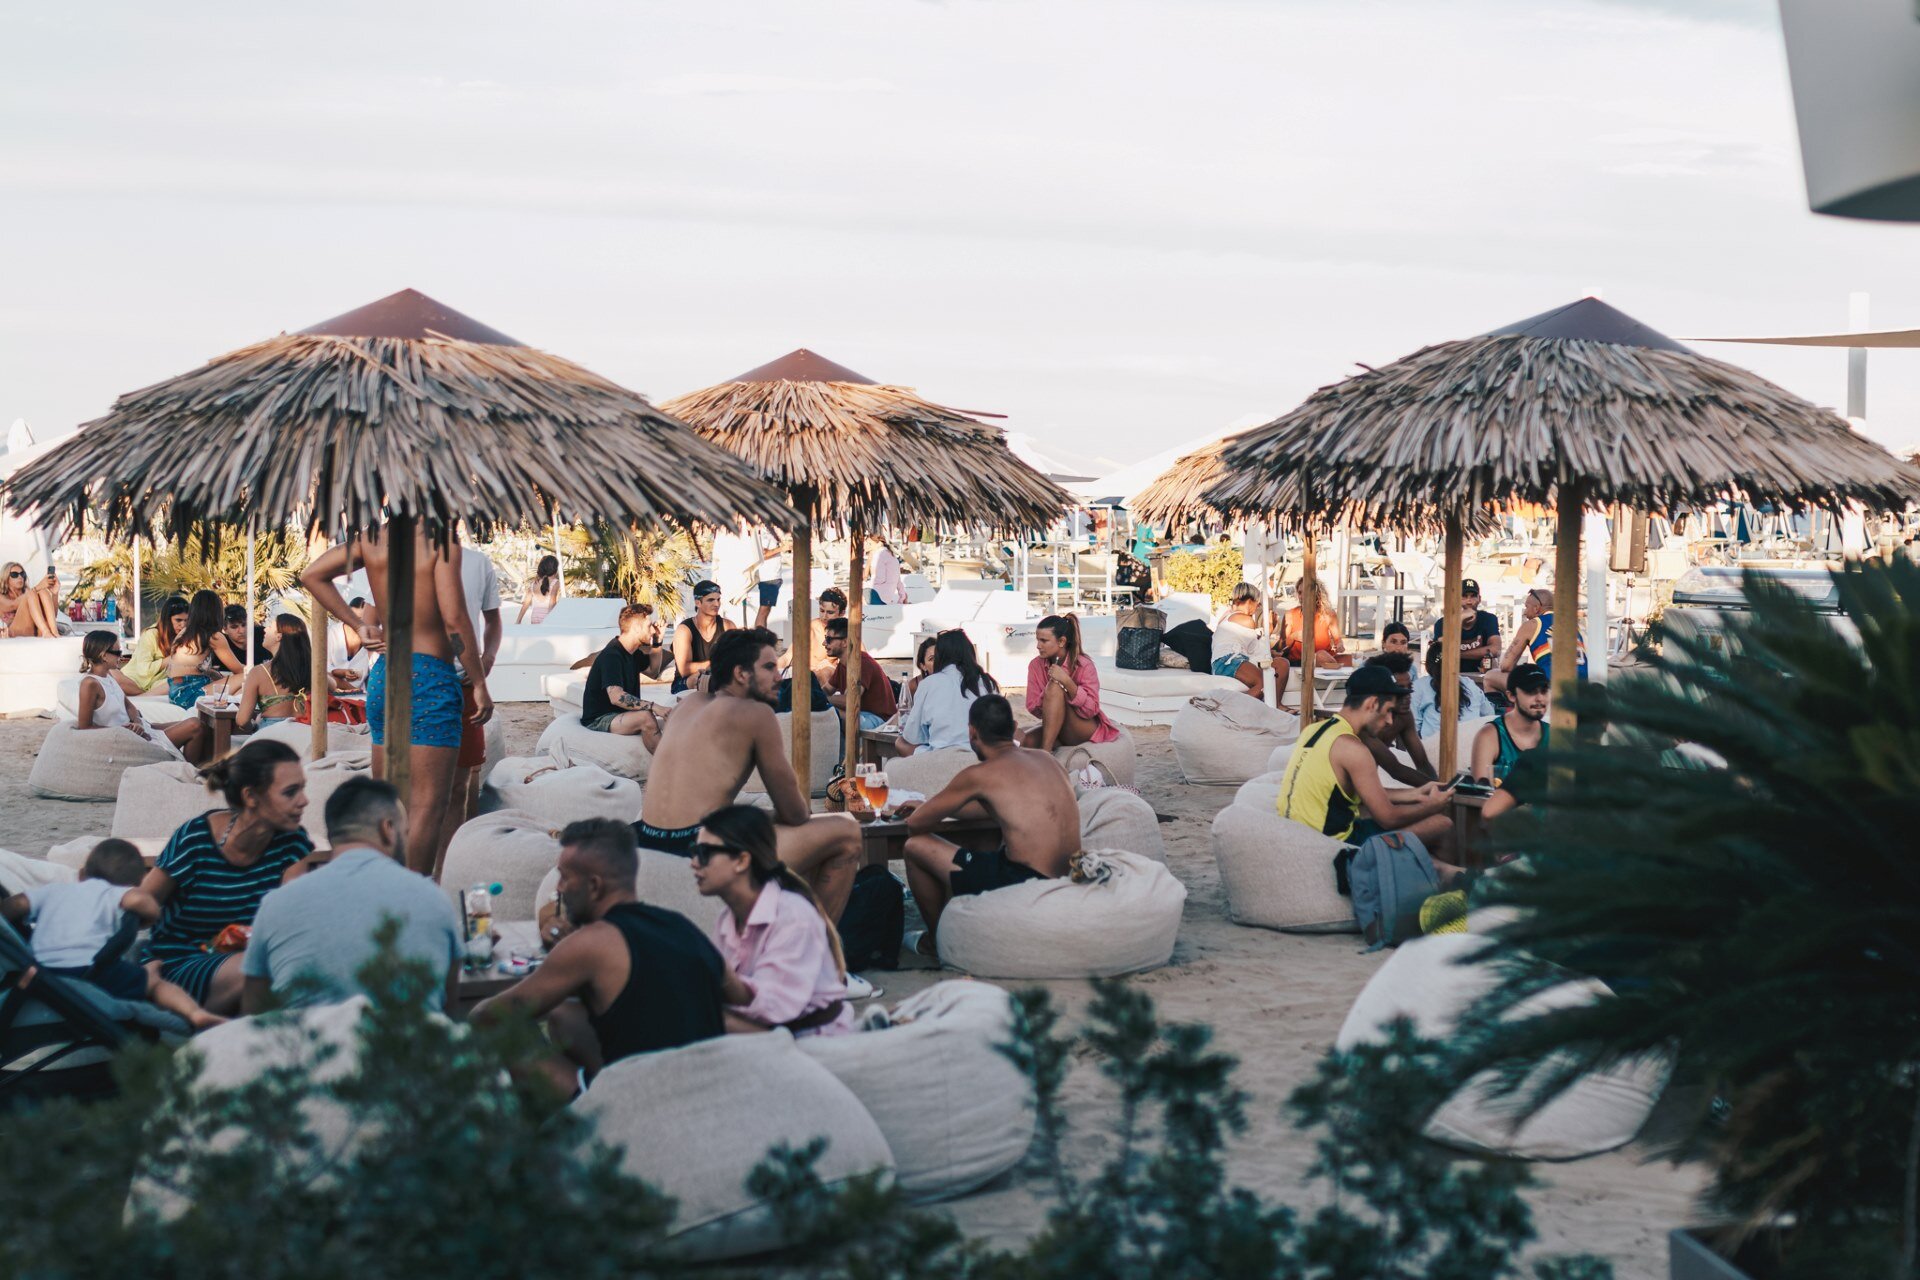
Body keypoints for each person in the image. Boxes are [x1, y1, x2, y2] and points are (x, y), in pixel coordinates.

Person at [472, 819, 725, 1098]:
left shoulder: (592, 943)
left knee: (501, 1030)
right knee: (563, 1015)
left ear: (594, 885)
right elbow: (736, 994)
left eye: (564, 878)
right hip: (704, 1087)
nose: (559, 889)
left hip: (643, 1099)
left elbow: (489, 1015)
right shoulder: (680, 926)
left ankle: (580, 1110)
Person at [300, 523, 493, 877]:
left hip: (386, 676)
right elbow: (454, 619)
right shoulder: (439, 540)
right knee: (427, 806)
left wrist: (357, 624)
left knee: (390, 804)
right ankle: (408, 895)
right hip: (428, 677)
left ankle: (382, 889)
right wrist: (479, 681)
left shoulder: (372, 538)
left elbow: (312, 575)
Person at [635, 628, 862, 918]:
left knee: (762, 822)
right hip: (696, 848)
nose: (779, 677)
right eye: (769, 668)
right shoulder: (755, 714)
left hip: (647, 839)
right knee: (846, 832)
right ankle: (817, 939)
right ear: (741, 674)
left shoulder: (687, 705)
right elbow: (795, 814)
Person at [242, 778, 462, 1013]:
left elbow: (253, 1012)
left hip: (310, 1035)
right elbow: (449, 1007)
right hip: (403, 1036)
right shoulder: (433, 899)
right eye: (405, 833)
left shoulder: (276, 904)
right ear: (388, 829)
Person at [139, 740, 315, 1016]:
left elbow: (291, 919)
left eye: (303, 788)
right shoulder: (196, 839)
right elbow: (142, 903)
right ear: (251, 796)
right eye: (291, 792)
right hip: (179, 962)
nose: (304, 800)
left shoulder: (292, 844)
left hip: (253, 961)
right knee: (259, 968)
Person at [899, 694, 1080, 956]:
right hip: (1069, 876)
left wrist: (926, 808)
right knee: (985, 841)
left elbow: (916, 824)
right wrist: (934, 805)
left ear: (972, 732)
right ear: (1014, 727)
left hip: (1025, 882)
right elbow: (997, 808)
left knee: (915, 847)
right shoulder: (1047, 760)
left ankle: (936, 941)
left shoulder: (980, 774)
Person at [1, 838, 224, 1030]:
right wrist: (149, 915)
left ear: (81, 874)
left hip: (39, 970)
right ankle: (194, 1014)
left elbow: (16, 904)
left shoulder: (52, 891)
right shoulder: (115, 893)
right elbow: (141, 901)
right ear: (135, 883)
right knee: (154, 986)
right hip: (88, 970)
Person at [694, 804, 854, 1037]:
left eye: (704, 853)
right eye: (693, 851)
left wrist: (720, 974)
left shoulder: (793, 917)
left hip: (815, 1039)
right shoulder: (727, 918)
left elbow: (775, 1008)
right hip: (770, 1032)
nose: (694, 862)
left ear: (741, 861)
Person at [1274, 665, 1457, 864]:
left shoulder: (1315, 730)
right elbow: (1388, 818)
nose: (1390, 721)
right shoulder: (1354, 749)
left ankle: (1430, 870)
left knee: (1394, 813)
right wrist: (1432, 805)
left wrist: (1416, 793)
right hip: (1336, 846)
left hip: (1300, 835)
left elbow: (1362, 793)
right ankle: (1441, 879)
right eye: (1388, 711)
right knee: (1443, 824)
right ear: (1372, 703)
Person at [438, 543, 504, 871]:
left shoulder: (477, 562)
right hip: (417, 680)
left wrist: (486, 659)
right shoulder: (398, 555)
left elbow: (492, 620)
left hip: (463, 683)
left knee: (458, 786)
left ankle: (447, 870)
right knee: (420, 790)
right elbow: (453, 623)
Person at [73, 629, 207, 762]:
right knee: (195, 725)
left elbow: (128, 706)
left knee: (202, 724)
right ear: (103, 656)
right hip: (128, 740)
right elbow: (84, 727)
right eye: (117, 652)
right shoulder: (90, 684)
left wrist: (137, 722)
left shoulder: (108, 676)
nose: (121, 656)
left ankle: (190, 768)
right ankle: (187, 771)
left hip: (140, 729)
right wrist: (122, 730)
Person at [1021, 613, 1120, 752]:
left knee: (1055, 687)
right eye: (1037, 640)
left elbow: (1091, 710)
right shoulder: (1035, 665)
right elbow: (1033, 707)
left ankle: (1046, 752)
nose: (1038, 646)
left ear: (1061, 641)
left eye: (1044, 641)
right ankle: (1050, 743)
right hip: (1056, 726)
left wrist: (1067, 683)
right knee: (1022, 740)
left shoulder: (1084, 665)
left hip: (1082, 727)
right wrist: (1051, 698)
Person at [1471, 661, 1551, 821]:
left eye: (1544, 691)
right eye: (1530, 692)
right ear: (1511, 696)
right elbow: (1481, 795)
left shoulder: (1554, 735)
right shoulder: (1490, 735)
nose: (1539, 698)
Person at [898, 628, 997, 756]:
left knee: (900, 743)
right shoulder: (987, 681)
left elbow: (912, 736)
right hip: (984, 755)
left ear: (940, 655)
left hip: (943, 758)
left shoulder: (929, 683)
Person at [580, 602, 672, 739]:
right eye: (649, 626)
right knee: (646, 717)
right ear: (636, 628)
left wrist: (657, 641)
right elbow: (616, 697)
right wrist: (654, 706)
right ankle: (665, 754)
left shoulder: (633, 653)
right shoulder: (612, 655)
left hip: (621, 714)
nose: (653, 630)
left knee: (670, 719)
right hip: (600, 718)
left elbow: (653, 672)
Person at [1486, 587, 1587, 693]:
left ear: (1536, 608)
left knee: (1490, 677)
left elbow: (1506, 666)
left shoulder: (1532, 624)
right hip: (1582, 689)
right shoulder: (1572, 624)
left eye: (1526, 607)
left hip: (1552, 689)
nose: (1525, 612)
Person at [1358, 652, 1436, 785]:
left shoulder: (1404, 716)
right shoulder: (1364, 723)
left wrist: (1438, 787)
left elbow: (1423, 764)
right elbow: (1396, 770)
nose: (1408, 695)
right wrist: (1439, 788)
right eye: (1400, 690)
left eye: (1410, 687)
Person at [163, 590, 246, 709]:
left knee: (237, 683)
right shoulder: (213, 636)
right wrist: (264, 669)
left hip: (176, 694)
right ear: (216, 611)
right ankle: (237, 715)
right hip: (190, 694)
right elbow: (239, 670)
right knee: (247, 677)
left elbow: (190, 669)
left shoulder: (184, 633)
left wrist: (213, 673)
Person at [1273, 578, 1347, 711]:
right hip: (1298, 661)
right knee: (1322, 655)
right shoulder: (1291, 615)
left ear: (1316, 593)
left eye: (1305, 592)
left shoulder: (1328, 614)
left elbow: (1338, 640)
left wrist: (1340, 645)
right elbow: (1281, 646)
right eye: (1299, 592)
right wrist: (1293, 637)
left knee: (1323, 655)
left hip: (1321, 660)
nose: (1302, 596)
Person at [822, 616, 897, 731]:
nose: (824, 643)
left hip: (878, 719)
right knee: (824, 712)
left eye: (829, 639)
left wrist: (821, 699)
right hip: (861, 714)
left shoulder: (861, 663)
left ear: (845, 642)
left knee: (831, 715)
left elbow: (850, 701)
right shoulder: (843, 664)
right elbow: (827, 689)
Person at [1412, 638, 1496, 738]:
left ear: (1427, 664)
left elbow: (1414, 727)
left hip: (1433, 746)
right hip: (1472, 744)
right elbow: (1489, 714)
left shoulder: (1419, 686)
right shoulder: (1469, 684)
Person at [234, 631, 315, 731]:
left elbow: (242, 721)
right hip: (305, 732)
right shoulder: (313, 669)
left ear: (279, 636)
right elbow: (331, 687)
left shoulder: (259, 672)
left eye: (270, 626)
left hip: (271, 734)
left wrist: (254, 726)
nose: (265, 629)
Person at [671, 579, 734, 694]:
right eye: (710, 600)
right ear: (698, 603)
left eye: (718, 599)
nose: (716, 604)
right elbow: (684, 669)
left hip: (719, 679)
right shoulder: (684, 630)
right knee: (702, 679)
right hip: (686, 684)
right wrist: (716, 664)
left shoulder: (728, 626)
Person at [1210, 583, 1269, 698]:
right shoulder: (1247, 620)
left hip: (1220, 662)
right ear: (1250, 601)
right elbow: (1255, 651)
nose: (1257, 608)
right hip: (1229, 660)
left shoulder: (1227, 617)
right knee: (1264, 683)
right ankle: (1234, 708)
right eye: (1258, 604)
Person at [1431, 579, 1502, 669]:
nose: (1469, 601)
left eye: (1473, 596)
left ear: (1479, 599)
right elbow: (1441, 651)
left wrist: (1458, 654)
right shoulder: (1442, 623)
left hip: (1480, 671)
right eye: (1464, 596)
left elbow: (1496, 649)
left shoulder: (1488, 619)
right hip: (1451, 671)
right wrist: (1459, 620)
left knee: (1492, 663)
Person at [123, 595, 187, 693]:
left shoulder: (184, 637)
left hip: (154, 685)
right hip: (132, 681)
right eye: (178, 620)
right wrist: (172, 658)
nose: (183, 625)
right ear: (167, 619)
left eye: (186, 620)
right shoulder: (151, 635)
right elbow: (143, 670)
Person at [0, 561, 62, 638]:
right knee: (32, 593)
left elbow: (53, 614)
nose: (20, 577)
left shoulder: (30, 594)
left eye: (22, 574)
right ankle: (46, 631)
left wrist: (55, 594)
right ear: (5, 577)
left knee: (43, 591)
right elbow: (12, 605)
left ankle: (54, 632)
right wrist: (39, 586)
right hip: (15, 631)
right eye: (14, 574)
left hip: (35, 630)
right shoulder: (2, 597)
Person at [326, 595, 374, 691]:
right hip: (331, 688)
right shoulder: (332, 633)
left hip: (359, 695)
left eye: (361, 620)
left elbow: (374, 668)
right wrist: (341, 672)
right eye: (353, 618)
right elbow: (321, 665)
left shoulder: (372, 639)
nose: (356, 623)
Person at [517, 554, 561, 625]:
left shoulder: (534, 583)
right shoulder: (555, 583)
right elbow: (552, 603)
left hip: (535, 617)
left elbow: (526, 604)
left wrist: (518, 620)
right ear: (554, 569)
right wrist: (551, 620)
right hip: (547, 617)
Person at [867, 538, 906, 606]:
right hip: (888, 596)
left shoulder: (878, 554)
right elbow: (898, 581)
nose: (867, 545)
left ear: (878, 543)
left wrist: (869, 583)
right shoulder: (892, 555)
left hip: (878, 596)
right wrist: (902, 597)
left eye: (869, 543)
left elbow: (880, 579)